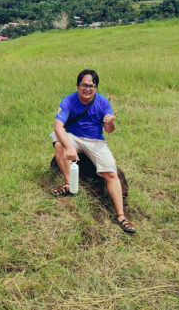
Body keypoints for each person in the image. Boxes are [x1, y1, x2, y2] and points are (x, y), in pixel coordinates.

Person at [50, 69, 135, 234]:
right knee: (59, 143)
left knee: (111, 172)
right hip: (73, 136)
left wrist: (111, 123)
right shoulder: (68, 101)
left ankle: (121, 216)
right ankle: (69, 184)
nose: (87, 89)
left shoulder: (103, 102)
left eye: (91, 86)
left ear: (95, 88)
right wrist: (69, 146)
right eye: (84, 85)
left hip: (95, 140)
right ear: (78, 85)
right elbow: (58, 127)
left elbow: (109, 130)